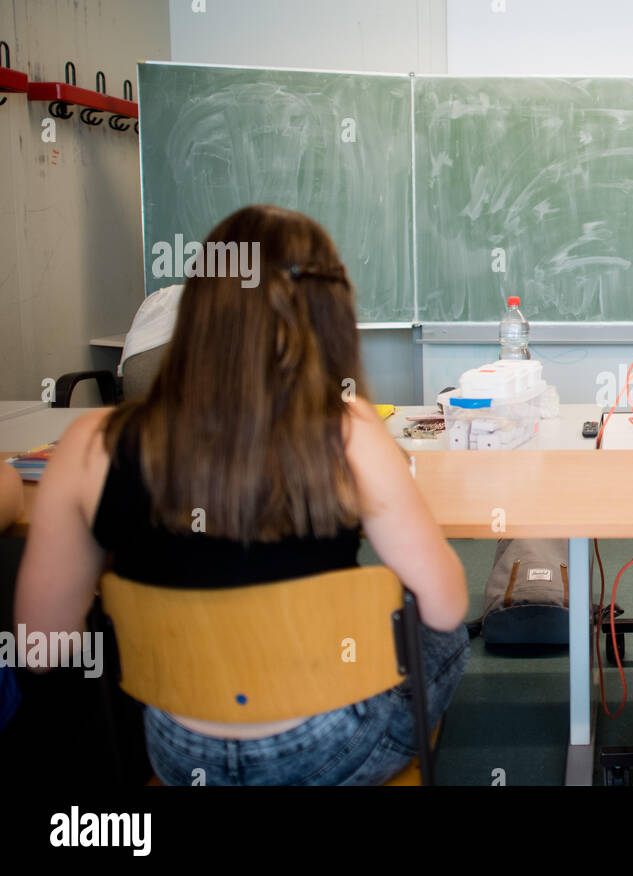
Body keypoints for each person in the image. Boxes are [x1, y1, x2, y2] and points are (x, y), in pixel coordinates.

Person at [15, 204, 470, 785]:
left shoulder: (88, 444)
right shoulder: (345, 428)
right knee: (445, 634)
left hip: (180, 750)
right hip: (332, 744)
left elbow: (41, 647)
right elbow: (447, 605)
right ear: (324, 315)